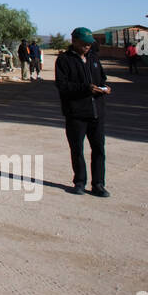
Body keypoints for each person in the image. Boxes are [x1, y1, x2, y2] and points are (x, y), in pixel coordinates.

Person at [55, 27, 111, 197]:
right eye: (84, 44)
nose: (87, 47)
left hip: (96, 113)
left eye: (89, 44)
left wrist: (105, 87)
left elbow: (102, 78)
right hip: (76, 113)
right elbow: (63, 86)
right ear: (74, 41)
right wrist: (86, 89)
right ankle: (79, 182)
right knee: (77, 149)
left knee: (99, 149)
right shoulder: (64, 60)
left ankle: (98, 184)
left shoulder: (94, 58)